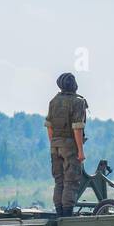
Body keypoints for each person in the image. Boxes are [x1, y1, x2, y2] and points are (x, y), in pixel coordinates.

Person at [44, 72, 87, 217]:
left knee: (59, 181)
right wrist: (80, 151)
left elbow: (49, 127)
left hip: (55, 146)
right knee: (71, 181)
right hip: (70, 146)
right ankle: (66, 216)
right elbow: (77, 128)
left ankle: (59, 214)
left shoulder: (53, 101)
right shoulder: (78, 102)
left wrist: (54, 144)